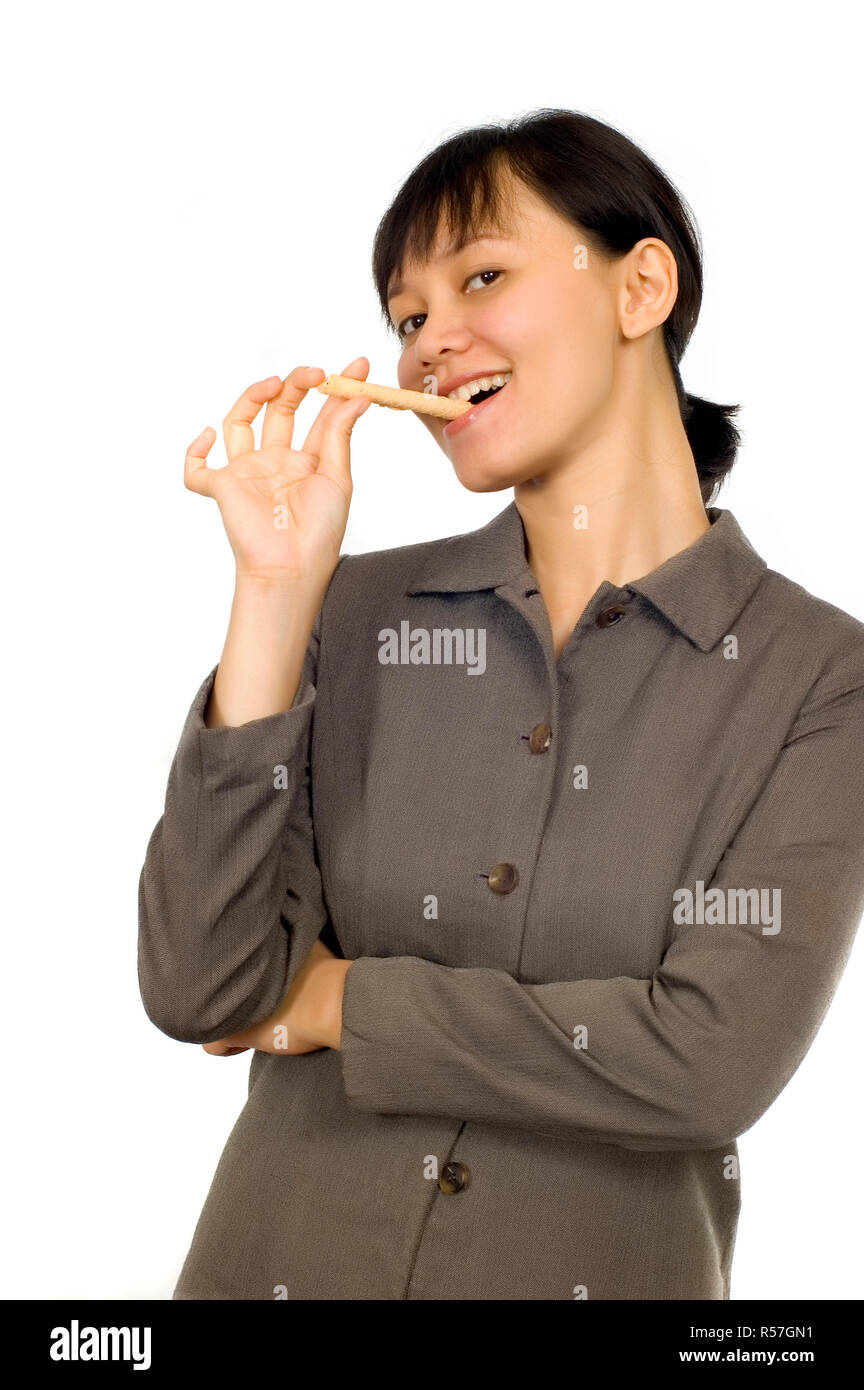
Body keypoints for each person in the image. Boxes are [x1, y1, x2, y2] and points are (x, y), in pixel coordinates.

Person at [138, 108, 864, 1300]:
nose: (431, 343)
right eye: (409, 315)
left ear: (640, 287)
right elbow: (201, 989)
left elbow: (707, 1060)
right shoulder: (353, 615)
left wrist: (340, 999)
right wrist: (274, 592)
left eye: (483, 276)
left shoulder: (818, 678)